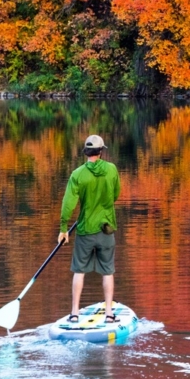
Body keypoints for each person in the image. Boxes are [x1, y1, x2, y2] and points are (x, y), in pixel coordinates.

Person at [57, 134, 121, 322]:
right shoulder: (112, 170)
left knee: (79, 270)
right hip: (106, 229)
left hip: (85, 230)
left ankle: (75, 313)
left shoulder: (78, 174)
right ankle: (109, 314)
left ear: (86, 152)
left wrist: (63, 228)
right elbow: (116, 194)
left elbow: (68, 203)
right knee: (108, 271)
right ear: (101, 151)